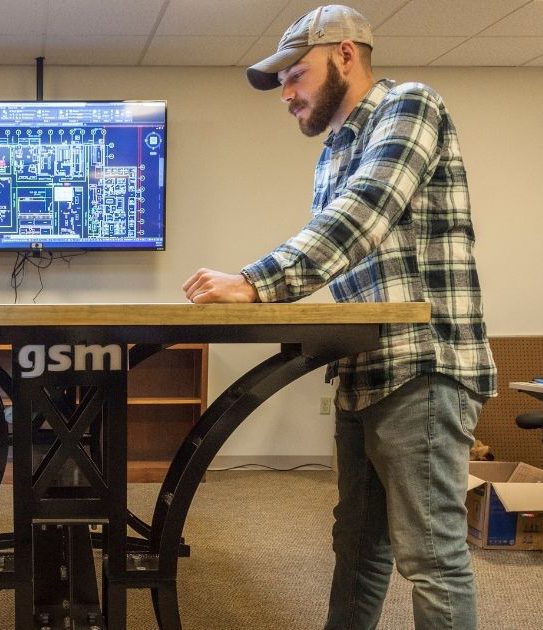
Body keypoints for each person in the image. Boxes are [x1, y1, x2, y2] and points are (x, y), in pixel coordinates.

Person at [182, 6, 496, 629]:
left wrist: (254, 282)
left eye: (295, 75)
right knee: (357, 546)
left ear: (345, 54)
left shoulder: (410, 105)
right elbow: (341, 246)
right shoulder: (335, 149)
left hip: (423, 364)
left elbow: (362, 215)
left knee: (431, 555)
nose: (287, 95)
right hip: (366, 370)